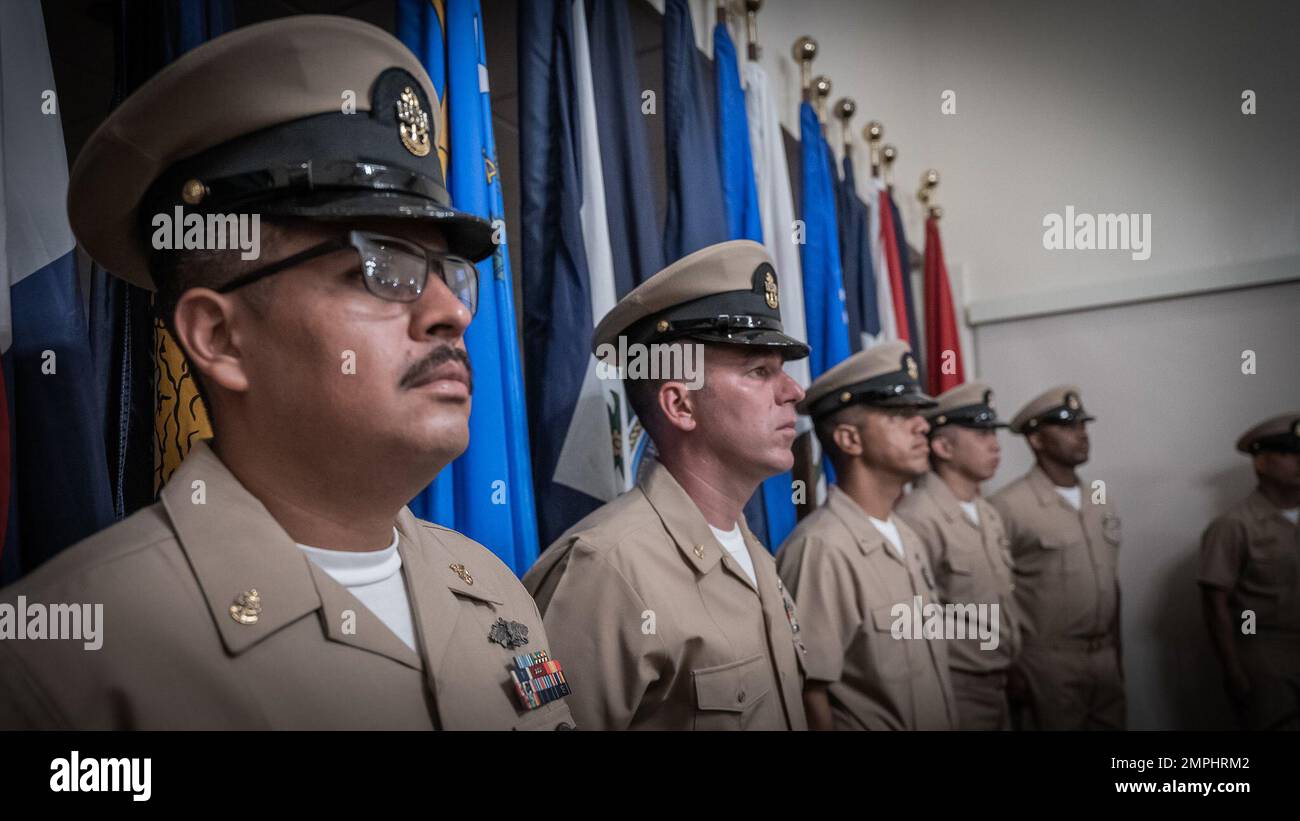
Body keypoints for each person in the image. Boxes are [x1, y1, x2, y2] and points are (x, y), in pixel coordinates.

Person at [0, 16, 573, 730]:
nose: (449, 312)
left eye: (445, 270)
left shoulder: (497, 594)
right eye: (380, 266)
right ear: (220, 337)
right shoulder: (67, 665)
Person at [523, 240, 809, 730]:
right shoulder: (606, 570)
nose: (795, 392)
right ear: (680, 406)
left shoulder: (752, 552)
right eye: (759, 371)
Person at [777, 341, 957, 731]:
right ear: (849, 439)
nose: (923, 424)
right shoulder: (821, 549)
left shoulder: (906, 535)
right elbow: (810, 693)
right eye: (900, 414)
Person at [990, 385, 1123, 730]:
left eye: (1082, 425)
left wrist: (1117, 653)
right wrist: (1009, 664)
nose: (1081, 434)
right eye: (1066, 426)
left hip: (1104, 656)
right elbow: (991, 591)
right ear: (1036, 440)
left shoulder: (1099, 498)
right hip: (1046, 663)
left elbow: (1110, 580)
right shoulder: (1008, 506)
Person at [896, 382, 1021, 730]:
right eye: (981, 433)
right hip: (955, 686)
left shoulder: (987, 512)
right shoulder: (918, 516)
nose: (995, 444)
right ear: (943, 446)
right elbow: (910, 621)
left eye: (993, 433)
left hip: (999, 680)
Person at [1199, 411, 1300, 730]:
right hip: (1266, 658)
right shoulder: (1234, 526)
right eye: (1289, 453)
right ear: (1260, 461)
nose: (1299, 461)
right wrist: (1234, 671)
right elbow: (1215, 606)